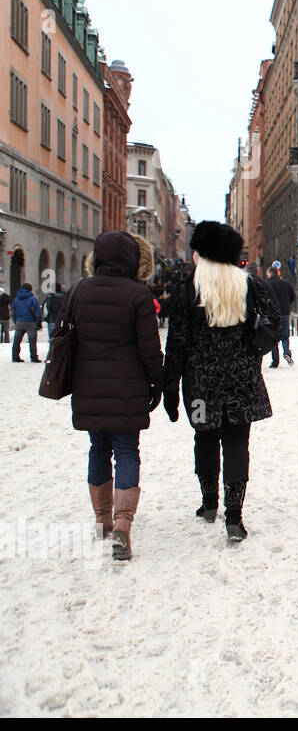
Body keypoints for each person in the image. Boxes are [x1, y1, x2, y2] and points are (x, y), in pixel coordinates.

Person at [163, 222, 279, 542]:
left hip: (200, 384)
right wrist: (253, 349)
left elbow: (177, 343)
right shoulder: (251, 285)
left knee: (204, 438)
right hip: (241, 381)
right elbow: (275, 323)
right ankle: (234, 517)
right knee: (237, 443)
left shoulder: (188, 289)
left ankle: (209, 504)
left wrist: (170, 386)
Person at [66, 232, 165, 562]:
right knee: (126, 450)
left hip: (89, 387)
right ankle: (122, 526)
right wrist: (157, 384)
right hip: (127, 389)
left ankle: (101, 520)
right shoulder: (138, 294)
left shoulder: (80, 289)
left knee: (98, 448)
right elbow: (150, 349)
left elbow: (64, 335)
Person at [265, 261, 295, 367]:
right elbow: (293, 297)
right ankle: (287, 353)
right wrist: (286, 304)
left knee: (274, 337)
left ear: (270, 273)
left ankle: (275, 361)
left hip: (273, 314)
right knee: (285, 335)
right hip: (285, 312)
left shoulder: (268, 284)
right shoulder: (286, 284)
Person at [10, 283, 42, 362]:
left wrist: (16, 321)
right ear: (30, 289)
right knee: (32, 342)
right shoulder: (32, 299)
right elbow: (38, 312)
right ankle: (34, 358)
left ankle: (15, 357)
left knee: (17, 341)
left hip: (19, 322)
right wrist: (39, 322)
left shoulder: (16, 299)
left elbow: (12, 312)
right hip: (31, 323)